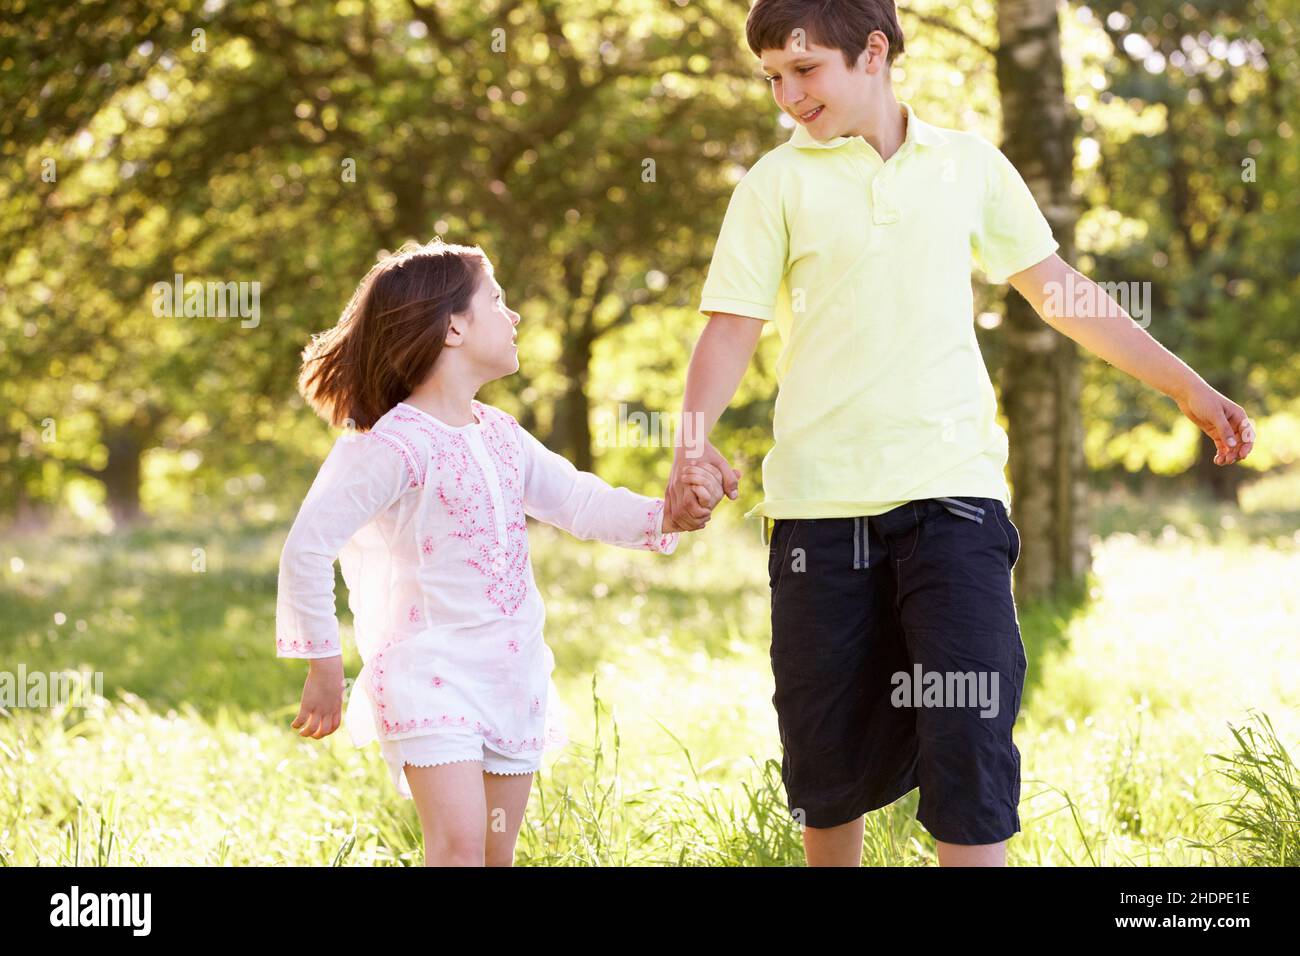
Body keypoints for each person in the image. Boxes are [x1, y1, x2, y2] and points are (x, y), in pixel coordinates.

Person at [662, 0, 1256, 867]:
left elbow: (1061, 293)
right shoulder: (773, 185)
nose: (787, 94)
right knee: (828, 757)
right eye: (773, 80)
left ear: (874, 52)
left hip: (954, 500)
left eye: (804, 71)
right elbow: (729, 327)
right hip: (819, 512)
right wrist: (689, 442)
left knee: (971, 734)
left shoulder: (968, 165)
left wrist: (1188, 388)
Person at [275, 238, 725, 866]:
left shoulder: (504, 437)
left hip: (512, 673)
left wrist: (666, 514)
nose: (514, 317)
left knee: (492, 854)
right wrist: (324, 665)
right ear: (453, 326)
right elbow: (307, 547)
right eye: (498, 300)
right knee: (457, 849)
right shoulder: (393, 445)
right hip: (429, 673)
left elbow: (581, 503)